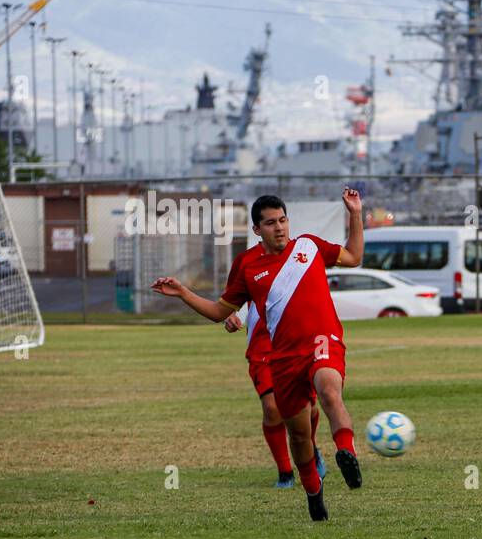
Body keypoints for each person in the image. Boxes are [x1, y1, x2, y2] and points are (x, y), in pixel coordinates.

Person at [152, 190, 365, 520]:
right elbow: (219, 311)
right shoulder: (247, 265)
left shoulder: (309, 246)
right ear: (256, 230)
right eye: (270, 223)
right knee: (298, 435)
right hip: (282, 357)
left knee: (329, 389)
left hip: (323, 340)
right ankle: (313, 491)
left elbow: (353, 256)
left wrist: (354, 213)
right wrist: (182, 293)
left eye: (282, 220)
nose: (279, 228)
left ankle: (346, 453)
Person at [222, 300, 325, 488]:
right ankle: (285, 472)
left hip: (297, 341)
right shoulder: (249, 268)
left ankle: (310, 448)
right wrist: (228, 315)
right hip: (262, 347)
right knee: (272, 409)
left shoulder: (302, 268)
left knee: (306, 409)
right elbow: (231, 296)